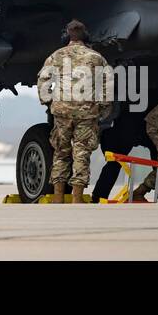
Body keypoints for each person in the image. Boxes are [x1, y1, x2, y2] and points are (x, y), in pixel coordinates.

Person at [37, 20, 113, 203]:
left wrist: (48, 102)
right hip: (87, 113)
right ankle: (77, 198)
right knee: (81, 152)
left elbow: (43, 79)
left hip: (62, 112)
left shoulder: (56, 55)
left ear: (67, 36)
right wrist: (103, 108)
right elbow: (107, 84)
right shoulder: (96, 57)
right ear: (85, 36)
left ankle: (57, 197)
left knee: (61, 152)